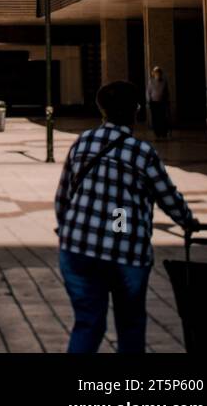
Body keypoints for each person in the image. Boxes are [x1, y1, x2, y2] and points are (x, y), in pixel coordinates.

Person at [55, 80, 198, 354]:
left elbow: (64, 196)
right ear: (135, 110)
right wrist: (188, 222)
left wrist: (67, 228)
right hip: (126, 251)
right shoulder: (142, 152)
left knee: (88, 324)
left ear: (103, 111)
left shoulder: (83, 143)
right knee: (130, 325)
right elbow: (167, 196)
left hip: (78, 249)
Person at [146, 66, 171, 139]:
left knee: (163, 117)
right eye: (156, 73)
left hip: (162, 102)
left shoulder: (164, 82)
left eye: (159, 73)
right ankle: (157, 133)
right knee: (155, 118)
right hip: (154, 102)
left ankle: (164, 132)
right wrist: (149, 100)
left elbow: (166, 92)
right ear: (154, 74)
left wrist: (168, 100)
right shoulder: (151, 81)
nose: (158, 74)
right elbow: (148, 91)